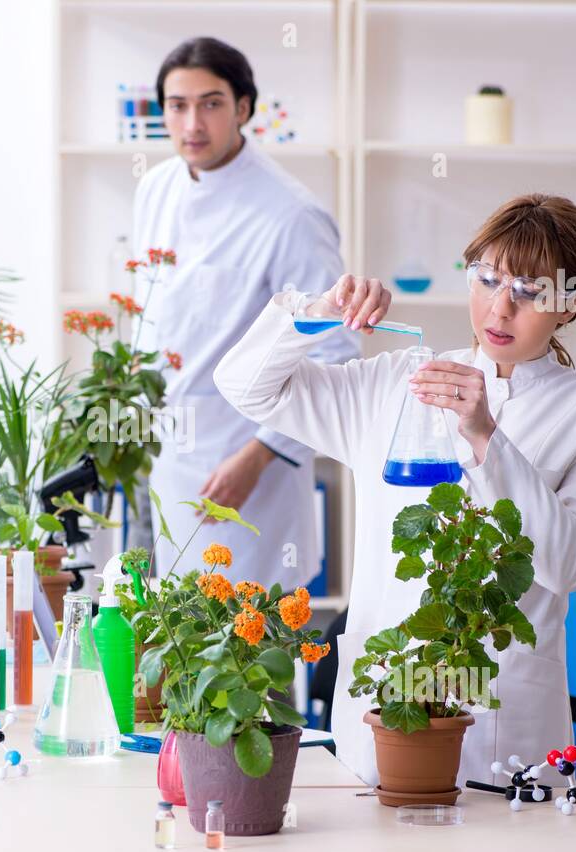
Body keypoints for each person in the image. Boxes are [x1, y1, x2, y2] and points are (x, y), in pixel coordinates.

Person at [213, 193, 576, 787]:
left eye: (530, 291)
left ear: (569, 304)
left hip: (500, 726)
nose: (501, 307)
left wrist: (486, 436)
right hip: (379, 708)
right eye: (487, 279)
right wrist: (319, 311)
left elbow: (569, 563)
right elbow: (244, 385)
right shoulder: (397, 379)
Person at [132, 36, 360, 589]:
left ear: (243, 108)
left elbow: (333, 352)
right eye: (177, 105)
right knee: (170, 627)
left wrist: (259, 455)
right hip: (166, 458)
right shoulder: (154, 189)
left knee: (251, 630)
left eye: (210, 104)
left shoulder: (291, 214)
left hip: (246, 471)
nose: (192, 124)